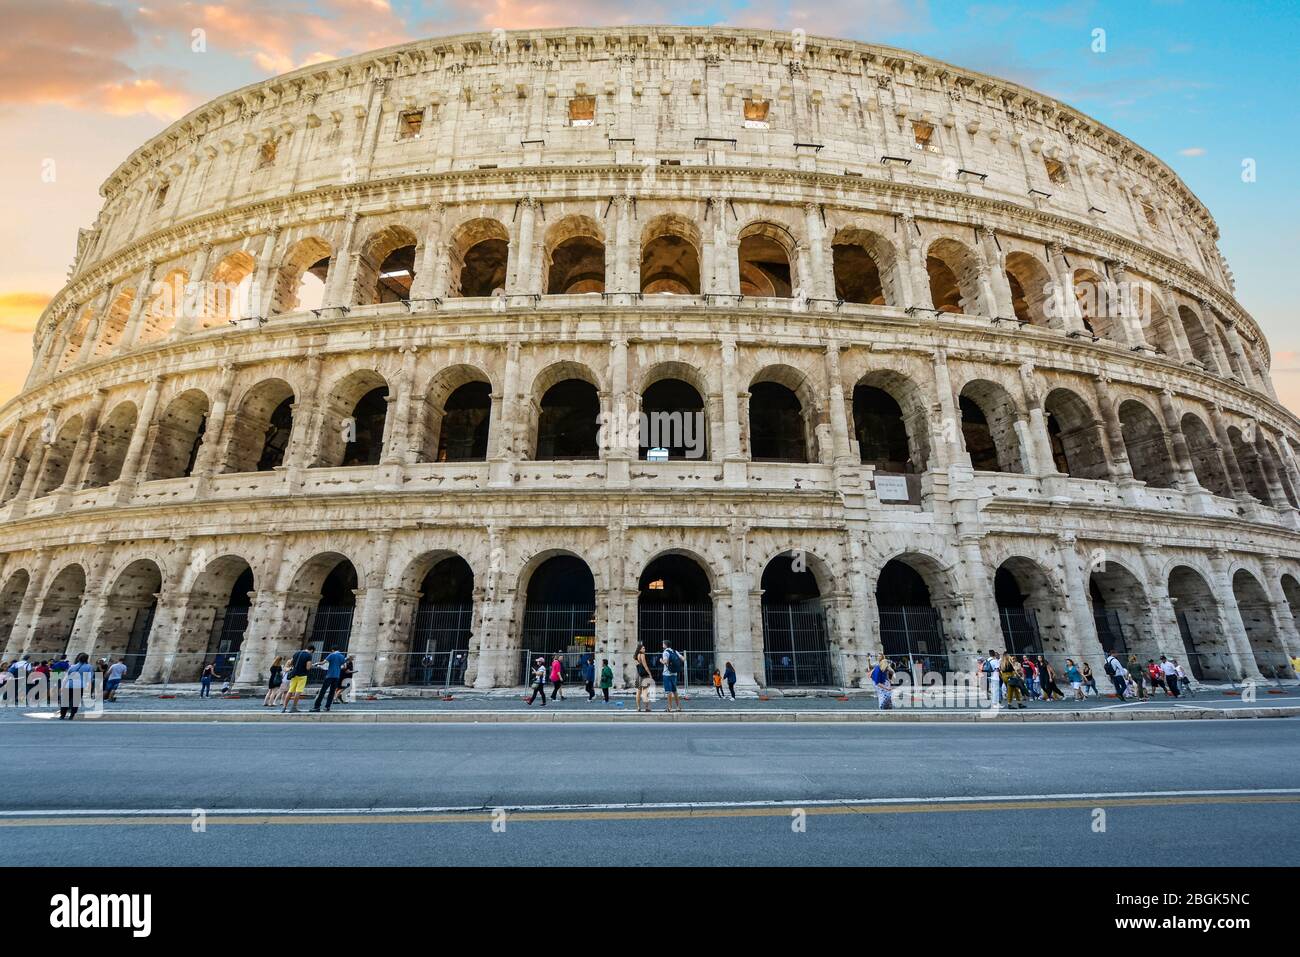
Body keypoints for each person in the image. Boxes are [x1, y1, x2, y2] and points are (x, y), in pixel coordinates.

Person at [59, 653, 96, 720]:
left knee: (65, 701)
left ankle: (62, 715)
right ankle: (72, 716)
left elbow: (66, 677)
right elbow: (89, 678)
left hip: (69, 684)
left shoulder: (72, 666)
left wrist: (62, 686)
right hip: (79, 685)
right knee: (75, 701)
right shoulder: (89, 667)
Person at [311, 646, 348, 712]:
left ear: (332, 650)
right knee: (332, 692)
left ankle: (317, 706)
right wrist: (338, 668)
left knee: (323, 691)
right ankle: (327, 707)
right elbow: (344, 666)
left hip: (330, 675)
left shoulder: (331, 655)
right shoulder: (342, 656)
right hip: (336, 676)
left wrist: (316, 664)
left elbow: (323, 662)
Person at [281, 645, 314, 713]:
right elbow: (308, 667)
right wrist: (311, 665)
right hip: (302, 675)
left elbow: (290, 662)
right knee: (298, 691)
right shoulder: (308, 655)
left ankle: (284, 707)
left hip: (294, 674)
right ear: (312, 650)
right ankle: (294, 707)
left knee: (290, 691)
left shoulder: (297, 653)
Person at [660, 640, 685, 713]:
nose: (662, 645)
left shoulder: (665, 652)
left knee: (668, 691)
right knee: (675, 691)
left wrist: (661, 660)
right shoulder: (675, 651)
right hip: (674, 674)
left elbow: (665, 662)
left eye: (663, 644)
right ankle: (678, 707)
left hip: (667, 674)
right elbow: (683, 659)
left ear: (665, 645)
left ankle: (670, 707)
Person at [634, 643, 653, 712]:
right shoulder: (642, 655)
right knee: (645, 692)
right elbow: (645, 666)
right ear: (640, 649)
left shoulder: (636, 656)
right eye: (643, 648)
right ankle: (646, 707)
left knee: (638, 692)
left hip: (638, 675)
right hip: (644, 676)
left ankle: (638, 707)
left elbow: (638, 666)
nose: (645, 649)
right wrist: (650, 674)